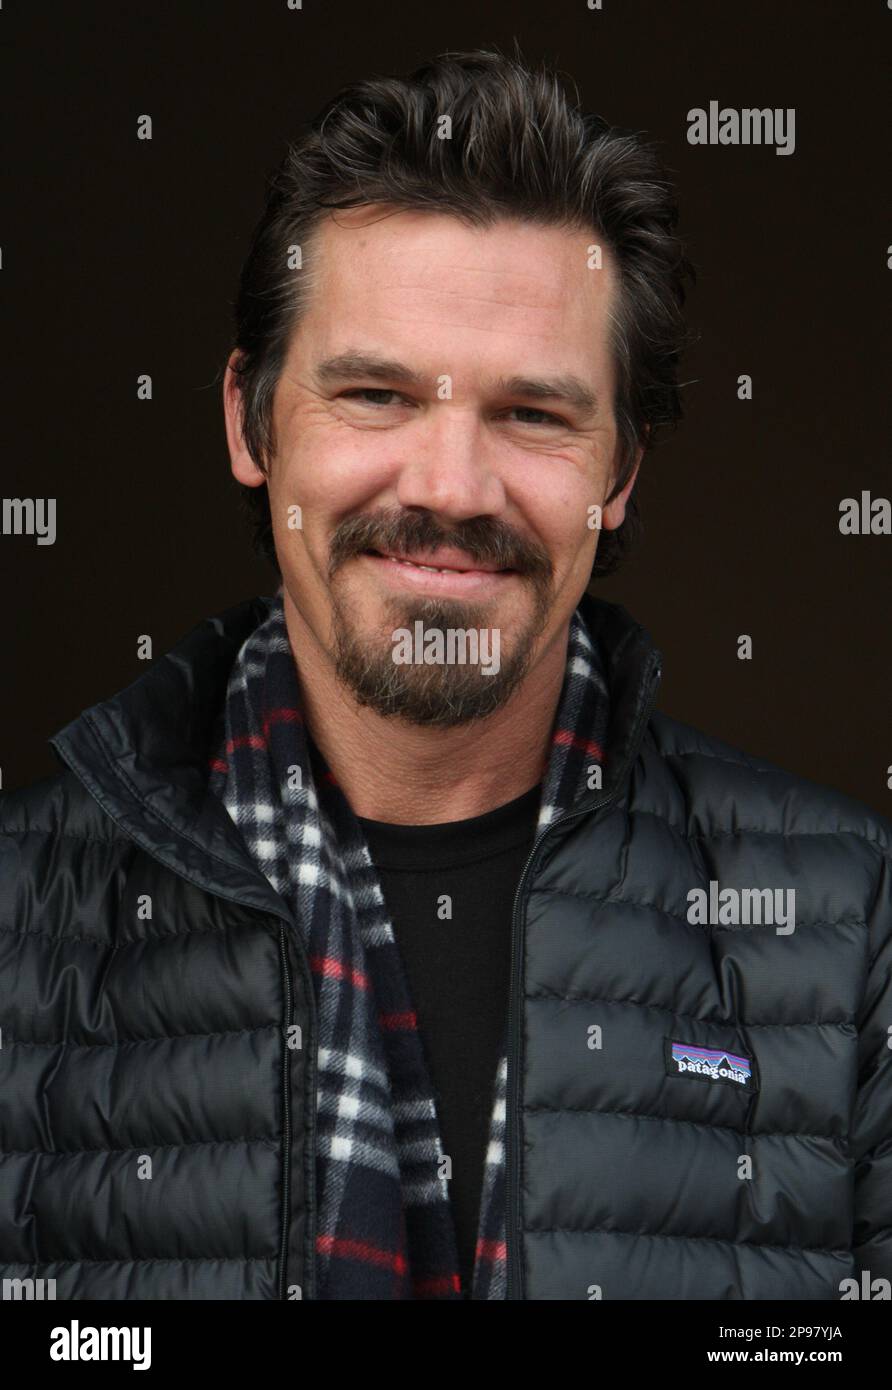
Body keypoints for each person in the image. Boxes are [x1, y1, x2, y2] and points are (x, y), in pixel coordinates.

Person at [1, 46, 889, 1303]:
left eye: (534, 415)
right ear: (251, 422)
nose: (450, 488)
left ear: (619, 473)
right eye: (373, 393)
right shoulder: (15, 924)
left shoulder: (846, 930)